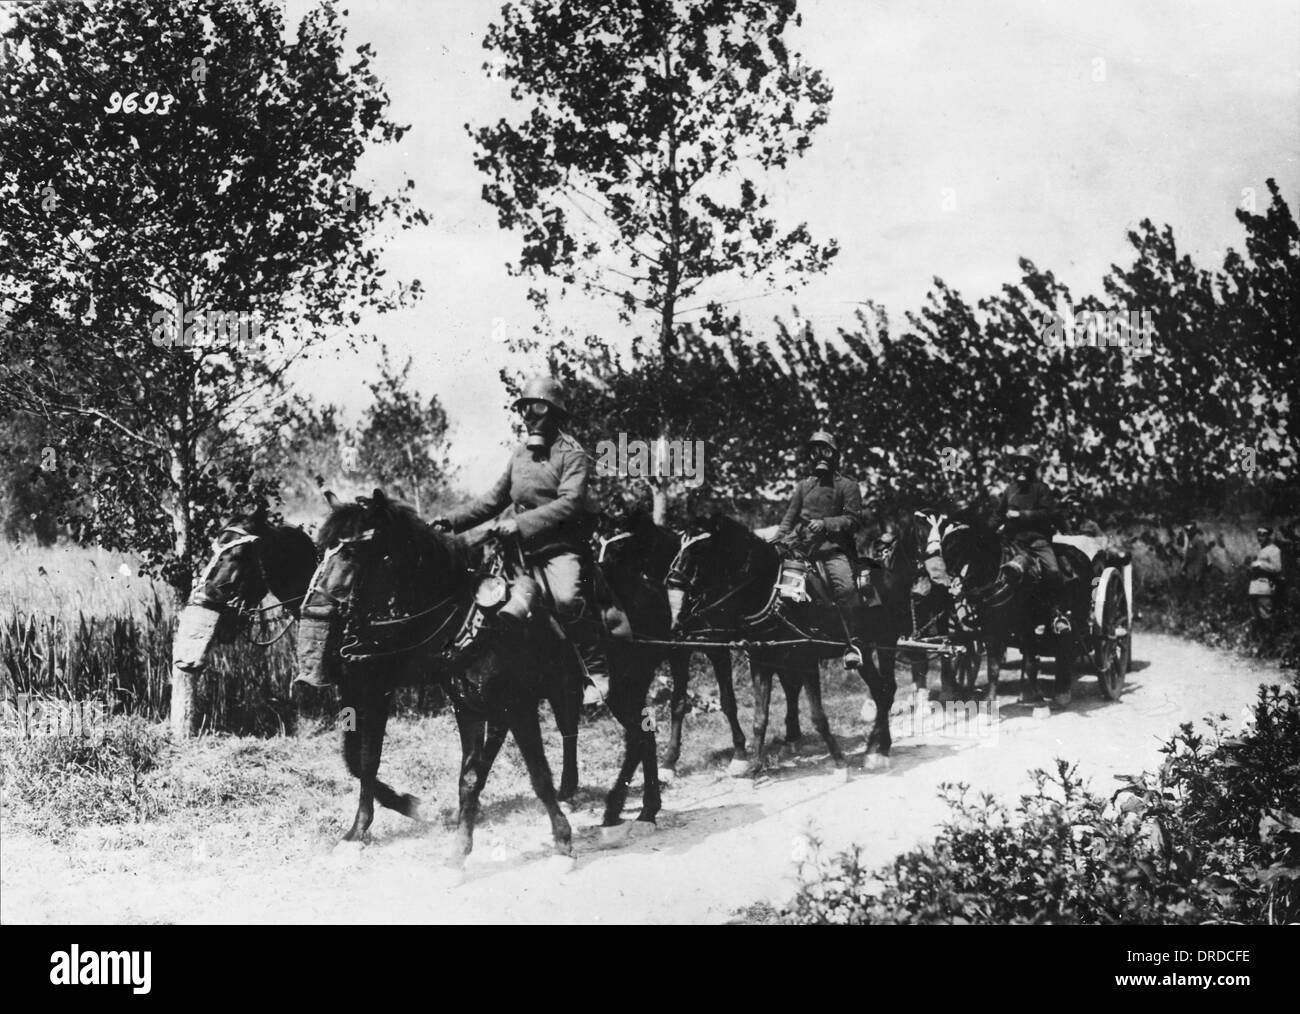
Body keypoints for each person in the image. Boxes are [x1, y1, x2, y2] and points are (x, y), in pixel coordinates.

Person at [432, 377, 610, 705]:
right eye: (524, 409)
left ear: (556, 412)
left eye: (537, 408)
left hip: (559, 551)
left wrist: (521, 523)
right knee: (488, 601)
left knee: (568, 599)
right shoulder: (519, 455)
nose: (529, 416)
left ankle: (595, 672)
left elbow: (570, 502)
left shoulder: (572, 454)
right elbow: (493, 500)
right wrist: (451, 521)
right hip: (518, 553)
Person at [774, 430, 867, 668]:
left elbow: (854, 519)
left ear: (834, 455)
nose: (820, 456)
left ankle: (852, 643)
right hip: (800, 548)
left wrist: (826, 523)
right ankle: (790, 640)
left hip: (833, 550)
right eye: (815, 451)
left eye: (825, 451)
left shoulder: (847, 485)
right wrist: (776, 543)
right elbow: (788, 519)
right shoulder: (803, 486)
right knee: (781, 589)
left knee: (845, 588)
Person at [993, 445, 1071, 634]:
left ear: (1032, 465)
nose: (1022, 466)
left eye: (1026, 462)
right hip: (1013, 543)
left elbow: (1048, 514)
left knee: (1053, 570)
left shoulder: (1041, 489)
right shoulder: (1010, 490)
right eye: (1019, 462)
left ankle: (1057, 613)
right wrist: (984, 531)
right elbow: (998, 515)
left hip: (1038, 542)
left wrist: (1021, 515)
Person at [1248, 526, 1285, 652]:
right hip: (1254, 588)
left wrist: (1261, 565)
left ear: (1269, 536)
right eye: (1258, 535)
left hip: (1265, 588)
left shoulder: (1274, 550)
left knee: (1266, 618)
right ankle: (1258, 646)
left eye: (1263, 535)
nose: (1260, 537)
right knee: (1255, 619)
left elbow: (1277, 568)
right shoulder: (1258, 549)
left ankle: (1271, 647)